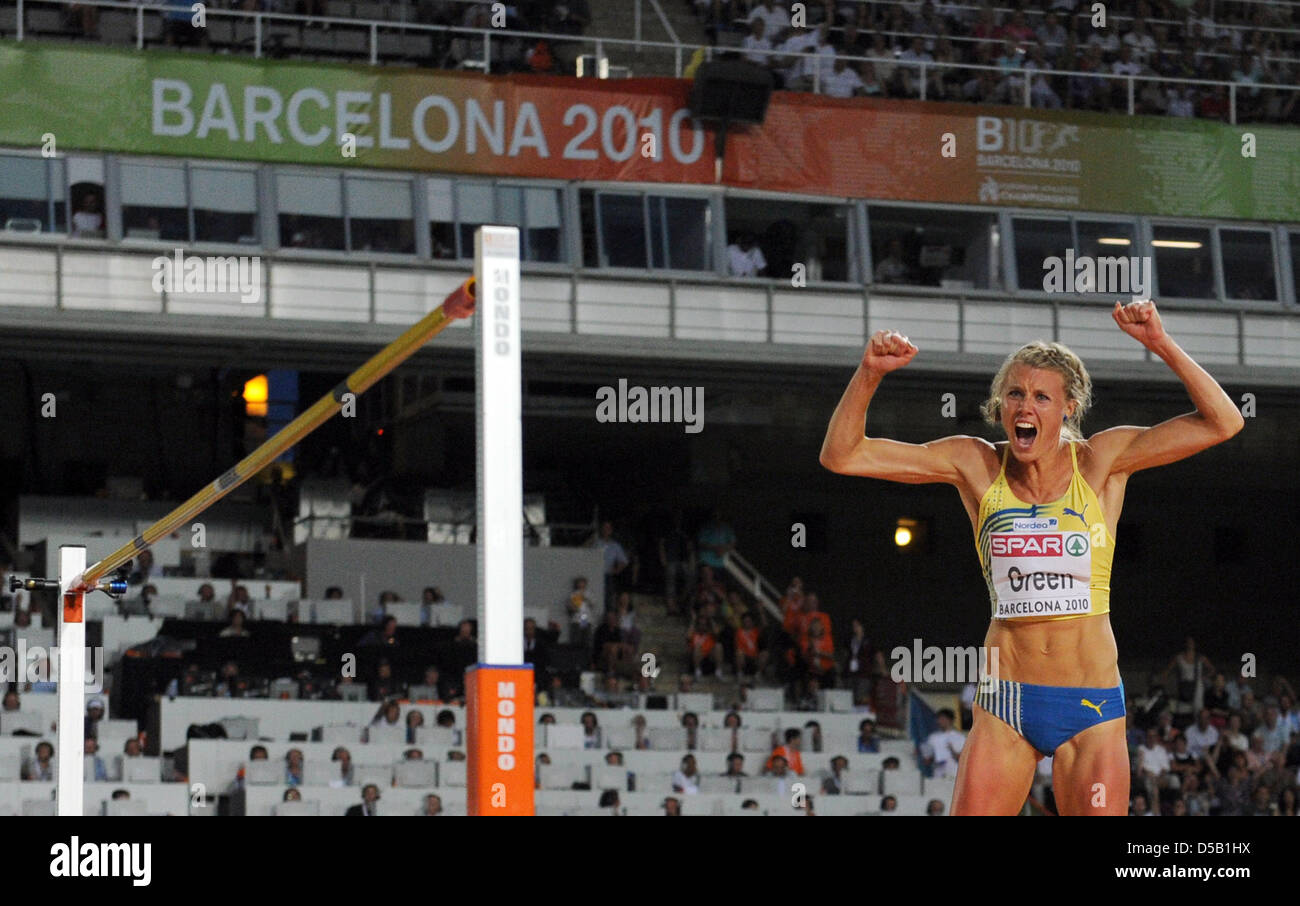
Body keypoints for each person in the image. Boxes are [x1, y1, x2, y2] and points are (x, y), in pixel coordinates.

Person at [820, 301, 1243, 815]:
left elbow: (1223, 421)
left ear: (1069, 407)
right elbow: (842, 455)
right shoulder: (975, 463)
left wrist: (1160, 344)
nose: (1025, 406)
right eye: (1015, 393)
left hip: (1090, 706)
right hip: (1007, 705)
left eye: (1042, 396)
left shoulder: (1101, 462)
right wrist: (869, 373)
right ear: (1000, 405)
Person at [922, 709, 965, 779]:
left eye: (943, 719)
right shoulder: (933, 737)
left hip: (954, 774)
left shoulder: (959, 737)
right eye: (939, 719)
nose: (940, 721)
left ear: (950, 720)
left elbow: (964, 760)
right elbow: (927, 761)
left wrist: (952, 750)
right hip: (938, 775)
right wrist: (930, 756)